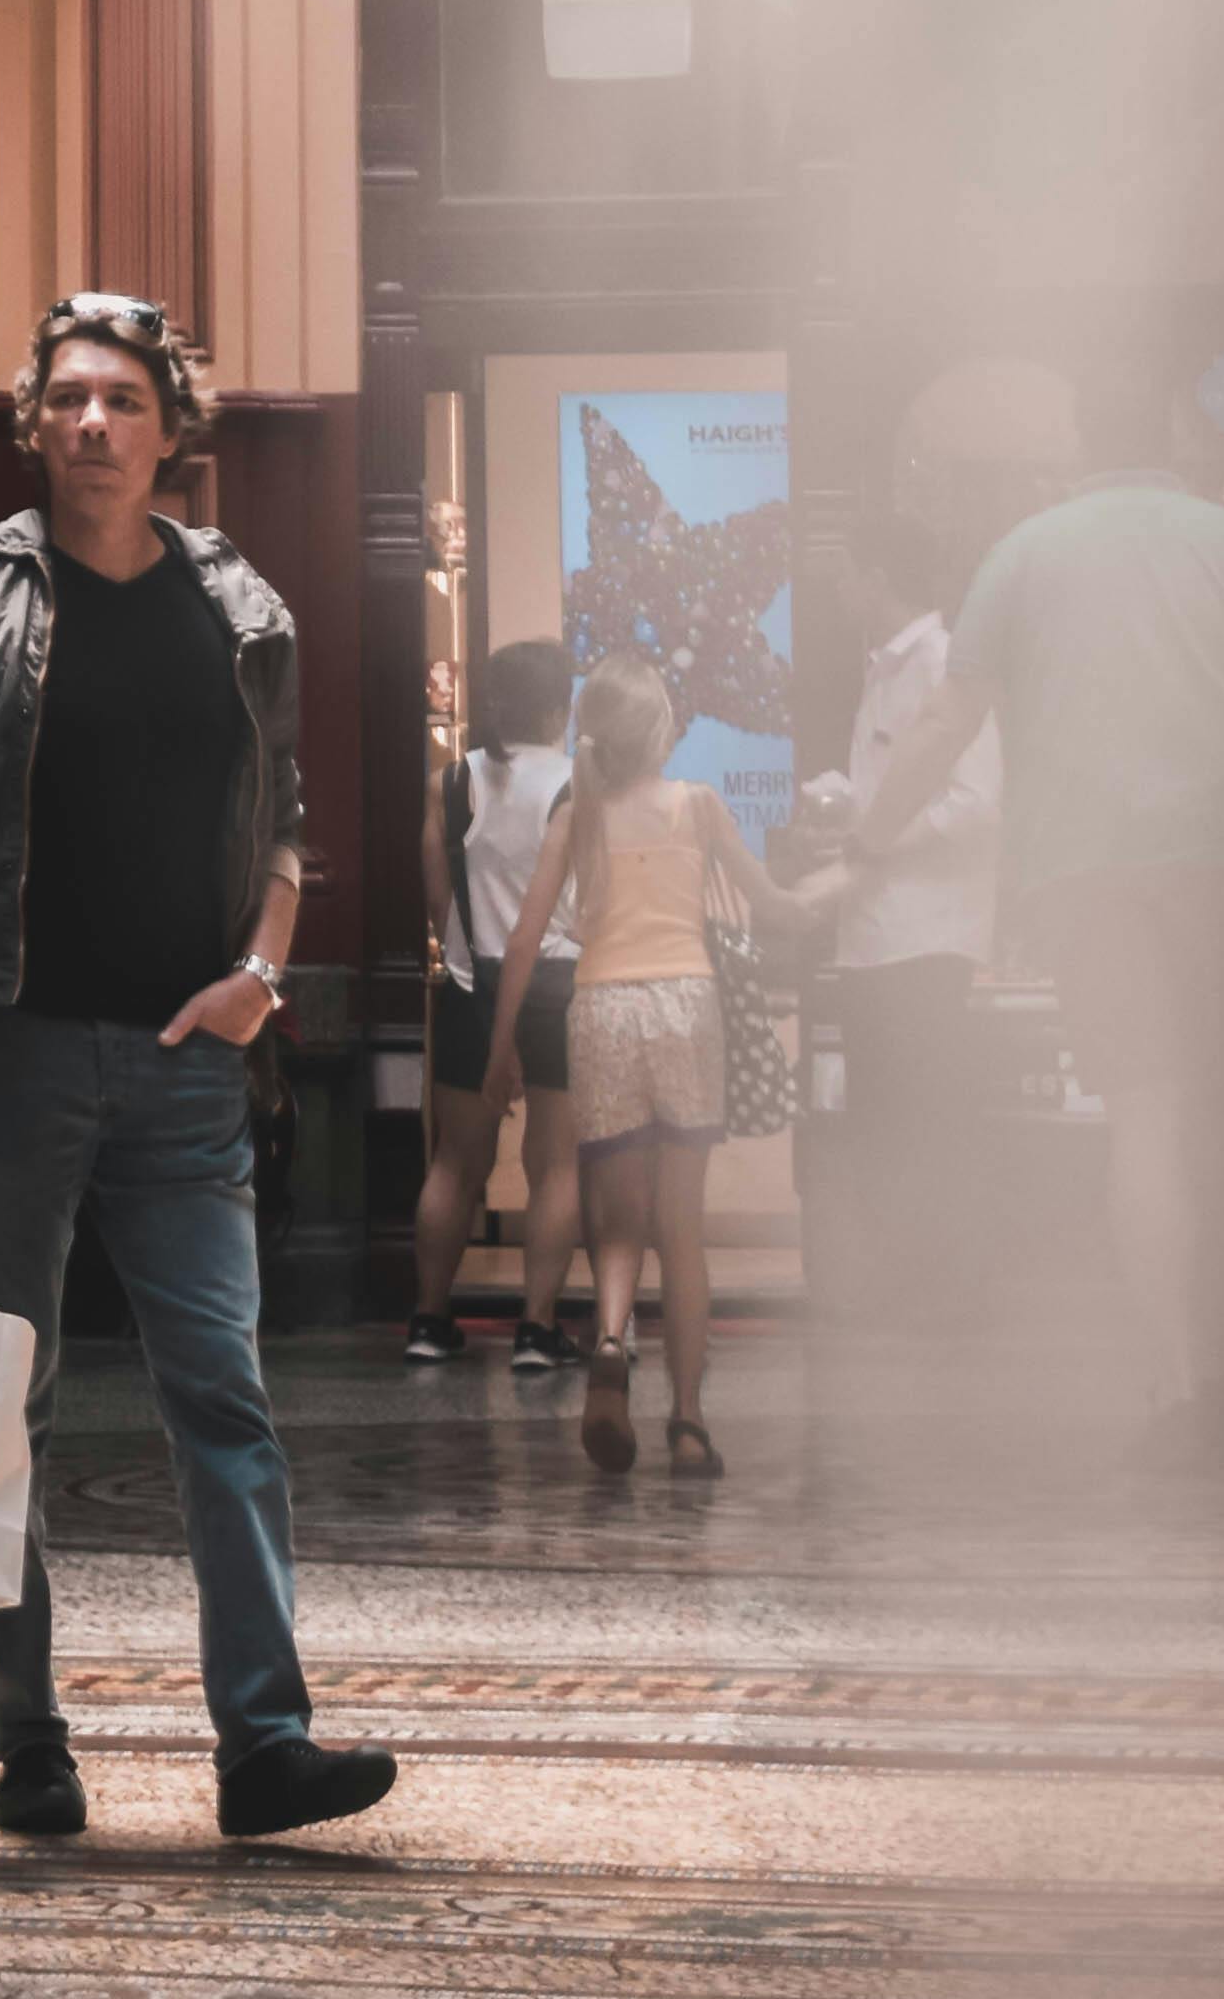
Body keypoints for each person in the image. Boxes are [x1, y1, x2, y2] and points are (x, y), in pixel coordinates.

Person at [0, 291, 398, 1845]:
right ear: (32, 423)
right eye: (70, 399)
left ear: (173, 432)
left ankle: (265, 1747)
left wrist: (262, 981)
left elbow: (283, 820)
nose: (95, 424)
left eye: (125, 402)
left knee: (223, 1394)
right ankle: (28, 1742)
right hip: (3, 1056)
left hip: (183, 1066)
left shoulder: (239, 605)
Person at [827, 365, 1224, 1449]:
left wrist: (869, 837)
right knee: (1211, 1111)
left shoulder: (1024, 553)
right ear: (1168, 436)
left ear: (1079, 443)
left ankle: (1173, 1388)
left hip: (1087, 875)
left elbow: (943, 725)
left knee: (1143, 1117)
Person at [489, 659, 779, 1479]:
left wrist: (499, 1048)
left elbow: (521, 943)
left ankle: (611, 1341)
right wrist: (846, 879)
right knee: (680, 1232)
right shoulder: (700, 807)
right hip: (687, 1008)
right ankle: (688, 1423)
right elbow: (773, 905)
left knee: (618, 1225)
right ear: (662, 733)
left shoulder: (573, 818)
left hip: (604, 1014)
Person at [813, 522, 1001, 1309]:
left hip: (924, 935)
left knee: (922, 1116)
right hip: (879, 932)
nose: (837, 590)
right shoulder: (886, 666)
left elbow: (978, 801)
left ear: (878, 573)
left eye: (845, 571)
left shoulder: (941, 664)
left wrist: (875, 840)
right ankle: (901, 1282)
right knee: (885, 1115)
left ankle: (938, 1287)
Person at [408, 636, 581, 1373]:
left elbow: (435, 885)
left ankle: (428, 1318)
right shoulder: (576, 785)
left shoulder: (452, 782)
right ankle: (537, 1330)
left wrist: (465, 941)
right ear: (556, 706)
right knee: (557, 1165)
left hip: (470, 984)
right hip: (558, 983)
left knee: (455, 1161)